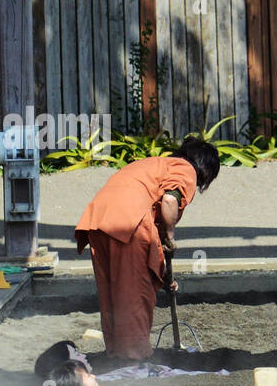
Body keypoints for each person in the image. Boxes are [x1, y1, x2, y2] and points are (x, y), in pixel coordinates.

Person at [74, 136, 219, 360]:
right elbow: (170, 201)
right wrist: (171, 235)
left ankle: (116, 353)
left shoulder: (153, 165)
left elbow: (154, 233)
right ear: (204, 168)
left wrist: (166, 278)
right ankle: (134, 357)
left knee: (113, 292)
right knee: (134, 293)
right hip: (127, 223)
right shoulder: (185, 168)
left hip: (98, 222)